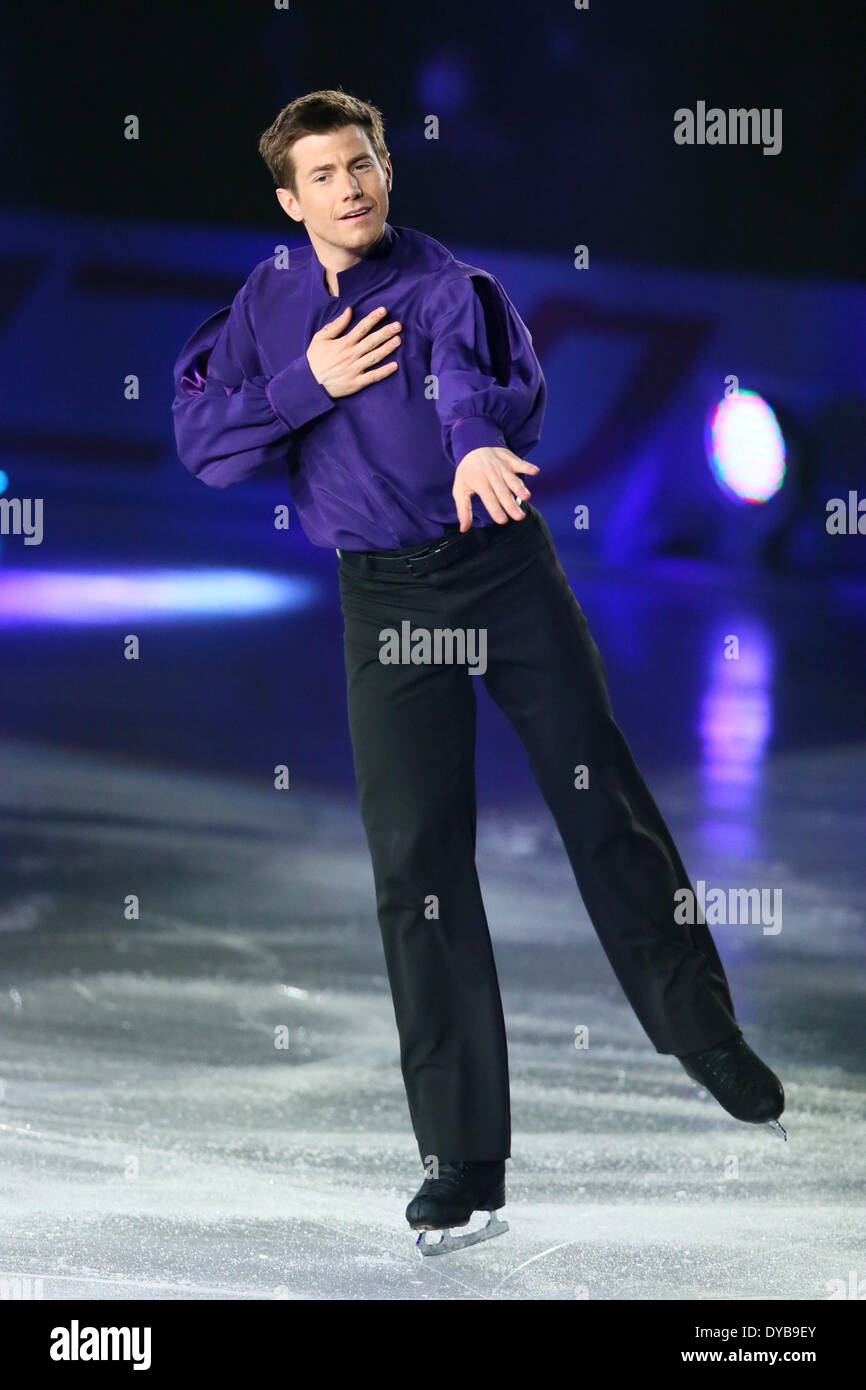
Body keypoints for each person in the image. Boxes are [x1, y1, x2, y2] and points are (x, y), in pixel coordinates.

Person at [172, 89, 785, 1255]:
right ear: (288, 200)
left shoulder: (447, 287)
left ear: (387, 173)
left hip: (499, 575)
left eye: (362, 163)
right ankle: (463, 1158)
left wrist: (478, 446)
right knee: (417, 864)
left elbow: (473, 388)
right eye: (324, 174)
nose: (348, 186)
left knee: (597, 798)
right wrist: (310, 382)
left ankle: (701, 1030)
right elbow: (205, 445)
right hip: (383, 599)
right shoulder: (266, 308)